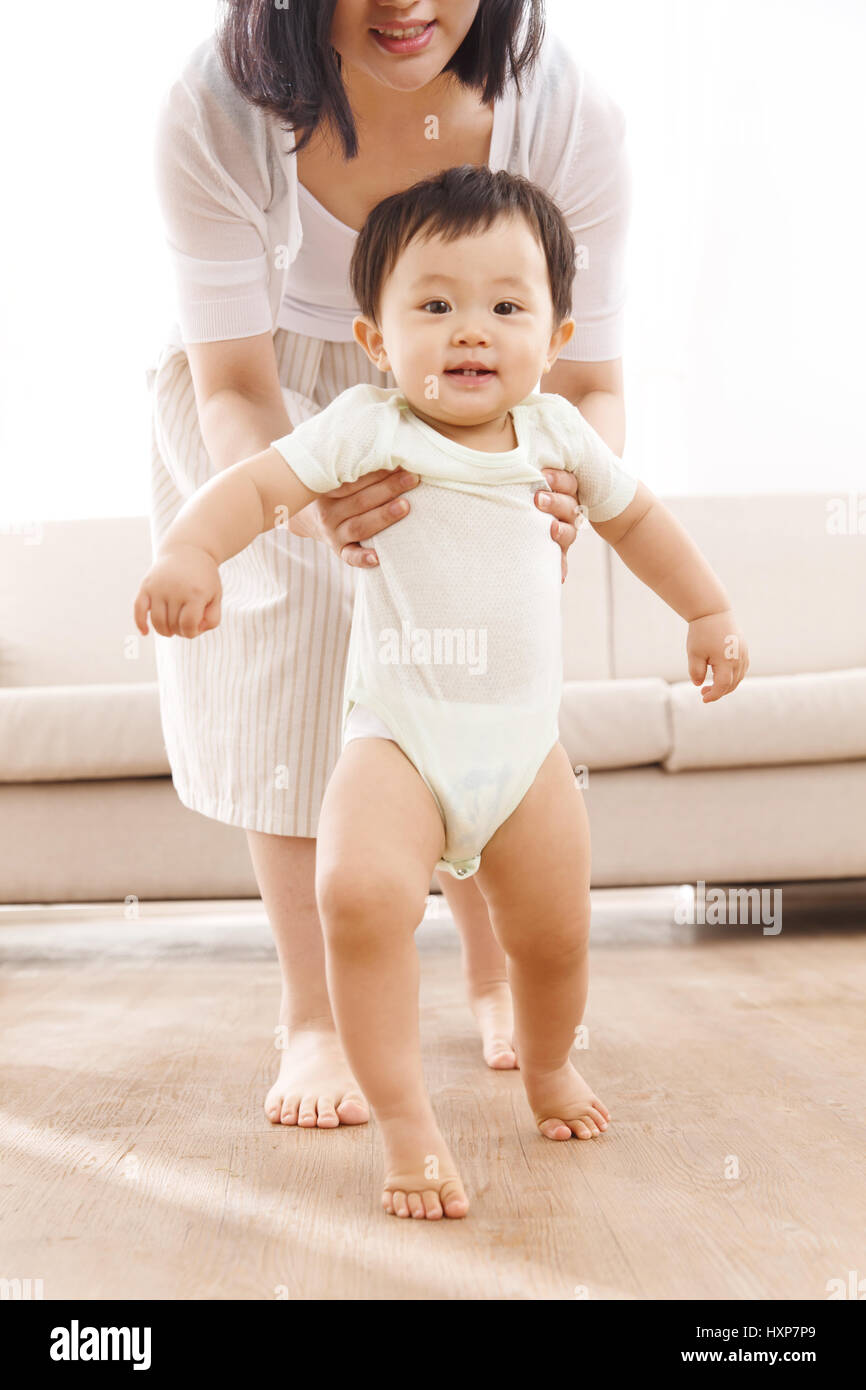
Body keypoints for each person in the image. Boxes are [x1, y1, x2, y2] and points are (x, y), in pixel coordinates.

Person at [135, 163, 749, 1218]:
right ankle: (408, 1124)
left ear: (556, 337)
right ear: (375, 337)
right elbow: (257, 485)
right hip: (398, 744)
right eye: (433, 305)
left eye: (506, 306)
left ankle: (550, 1064)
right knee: (356, 897)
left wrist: (705, 612)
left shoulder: (558, 437)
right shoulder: (367, 428)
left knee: (553, 935)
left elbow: (638, 521)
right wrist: (194, 553)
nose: (471, 330)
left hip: (522, 755)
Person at [147, 0, 635, 1127]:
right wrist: (302, 509)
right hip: (274, 395)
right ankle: (313, 1015)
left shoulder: (561, 109)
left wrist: (559, 493)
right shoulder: (214, 109)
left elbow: (587, 372)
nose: (406, 5)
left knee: (464, 677)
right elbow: (229, 385)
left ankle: (491, 973)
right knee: (290, 675)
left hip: (481, 395)